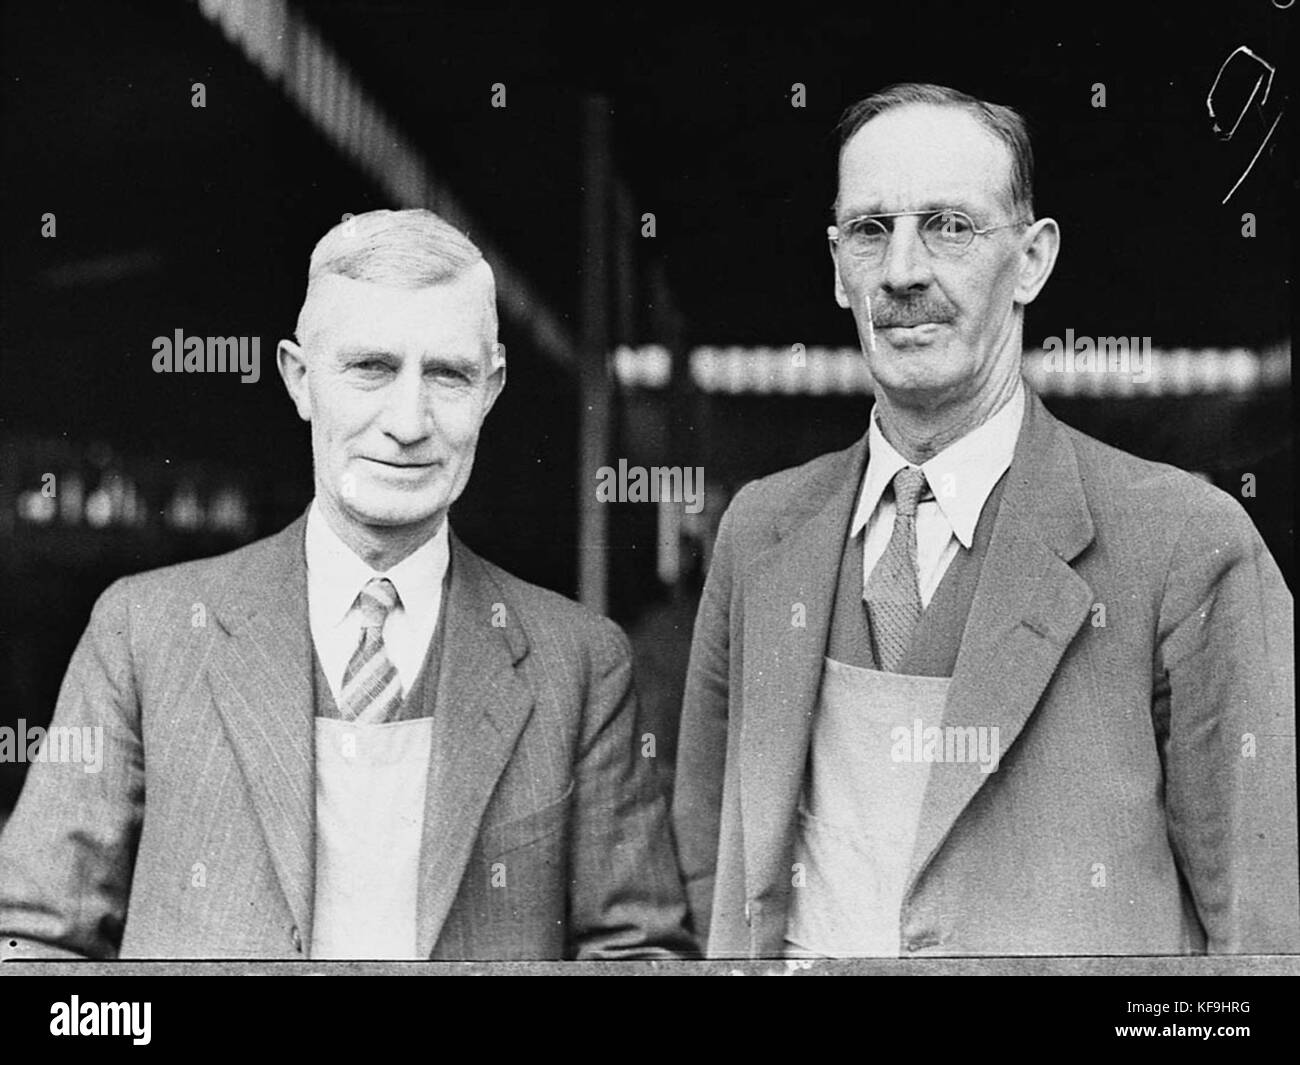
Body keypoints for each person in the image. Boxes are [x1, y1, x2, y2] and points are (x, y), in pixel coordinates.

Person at [672, 83, 1298, 957]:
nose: (903, 272)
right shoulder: (759, 533)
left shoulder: (1190, 545)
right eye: (869, 231)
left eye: (950, 227)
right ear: (837, 267)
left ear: (1034, 260)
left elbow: (1264, 934)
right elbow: (709, 864)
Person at [0, 208, 692, 960]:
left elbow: (638, 956)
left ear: (490, 390)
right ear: (301, 380)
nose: (408, 420)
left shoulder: (582, 664)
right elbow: (35, 944)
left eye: (448, 375)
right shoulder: (144, 633)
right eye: (371, 367)